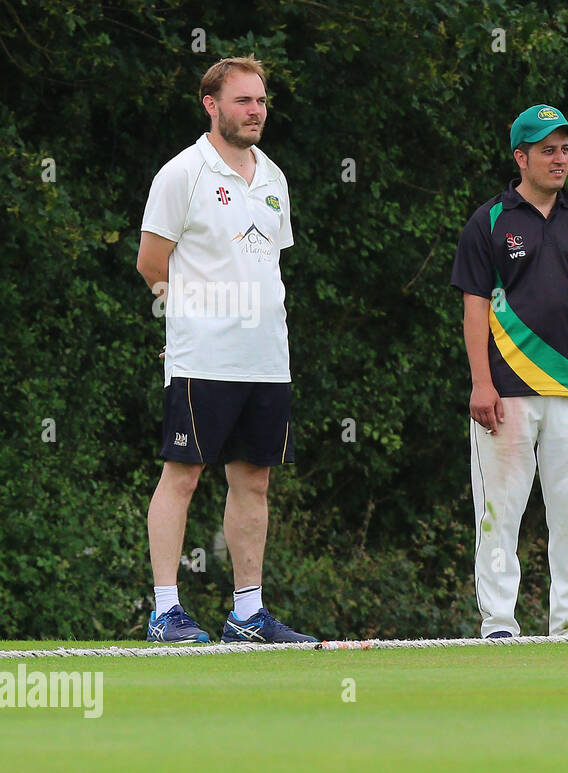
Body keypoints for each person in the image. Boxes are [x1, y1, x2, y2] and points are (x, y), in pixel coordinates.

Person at [137, 56, 313, 644]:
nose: (255, 111)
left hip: (266, 360)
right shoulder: (182, 173)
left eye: (261, 101)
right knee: (183, 474)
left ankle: (248, 614)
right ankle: (166, 610)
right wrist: (186, 325)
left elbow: (268, 262)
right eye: (243, 100)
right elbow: (150, 263)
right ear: (211, 105)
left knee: (254, 480)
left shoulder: (274, 178)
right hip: (202, 359)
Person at [451, 104, 568, 638]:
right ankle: (499, 623)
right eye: (547, 150)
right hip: (507, 390)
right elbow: (474, 305)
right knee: (499, 514)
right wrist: (481, 381)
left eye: (565, 148)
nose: (559, 159)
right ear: (520, 157)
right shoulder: (490, 221)